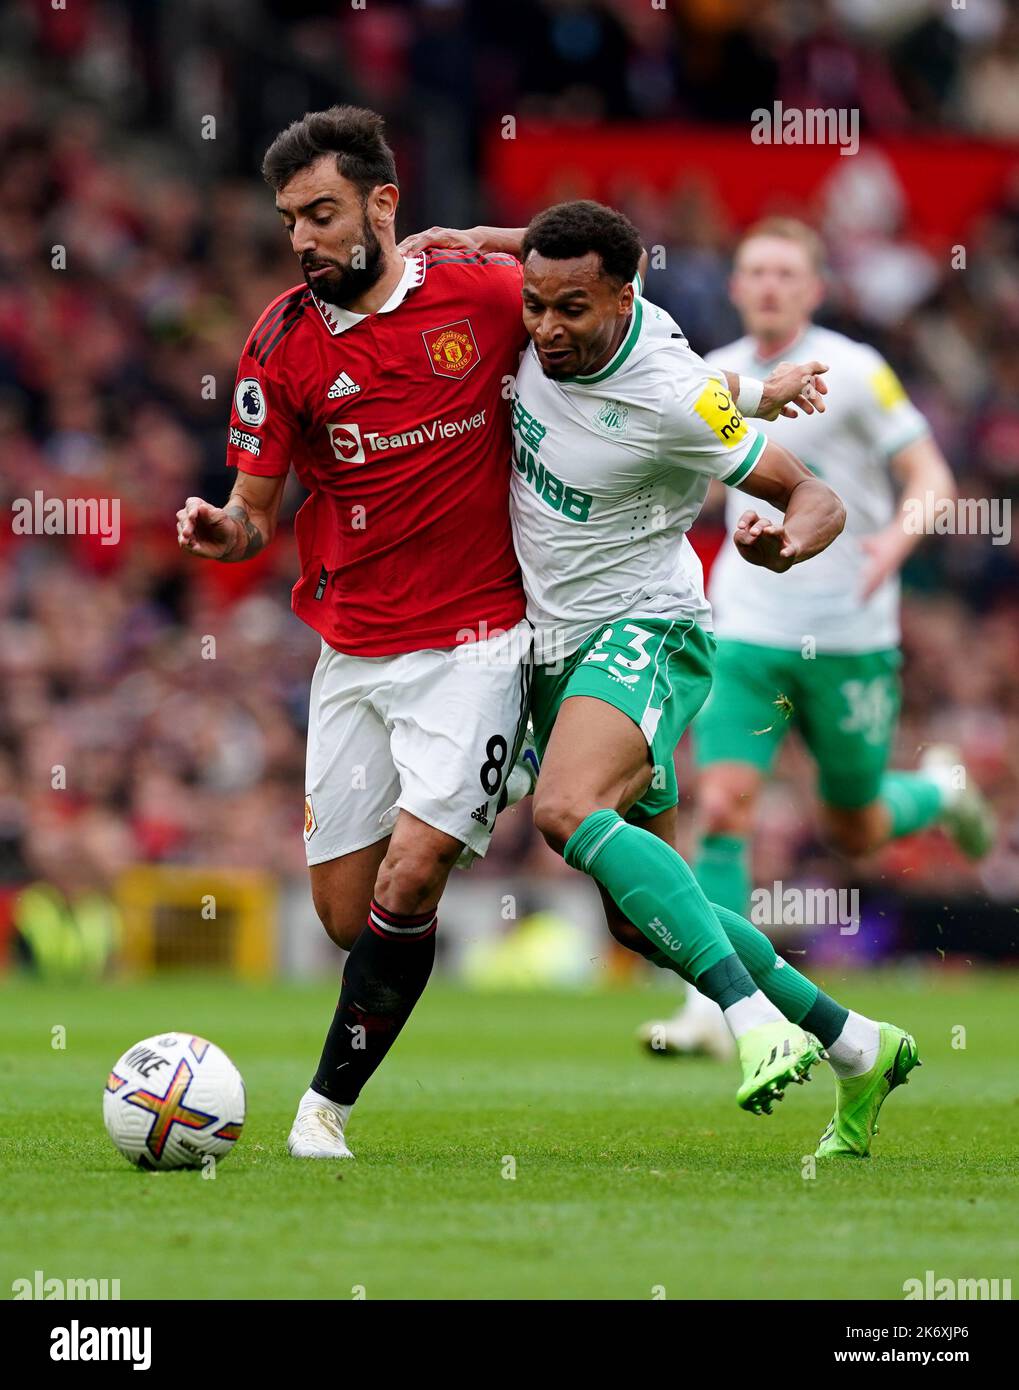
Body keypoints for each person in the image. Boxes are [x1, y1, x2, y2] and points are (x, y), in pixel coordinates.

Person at [413, 200, 921, 1151]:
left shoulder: (675, 395)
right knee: (651, 922)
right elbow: (561, 258)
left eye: (572, 309)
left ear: (624, 292)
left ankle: (748, 1023)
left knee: (565, 811)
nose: (546, 329)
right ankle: (857, 1044)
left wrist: (784, 547)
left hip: (649, 630)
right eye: (535, 307)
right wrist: (489, 241)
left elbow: (816, 494)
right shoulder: (555, 308)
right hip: (555, 644)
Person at [176, 105, 538, 1160]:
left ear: (384, 203)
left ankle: (321, 1111)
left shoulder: (482, 292)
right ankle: (490, 779)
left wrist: (504, 239)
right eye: (290, 218)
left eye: (323, 212)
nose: (302, 238)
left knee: (410, 875)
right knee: (348, 914)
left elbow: (613, 273)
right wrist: (225, 528)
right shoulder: (279, 342)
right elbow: (253, 510)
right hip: (356, 647)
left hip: (478, 636)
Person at [640, 218, 994, 1072]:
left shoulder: (858, 373)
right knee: (720, 804)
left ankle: (938, 791)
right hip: (746, 627)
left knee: (856, 829)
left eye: (784, 272)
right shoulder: (704, 374)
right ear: (733, 286)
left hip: (849, 637)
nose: (767, 285)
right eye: (753, 270)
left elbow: (930, 479)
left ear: (813, 287)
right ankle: (710, 1005)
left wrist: (893, 544)